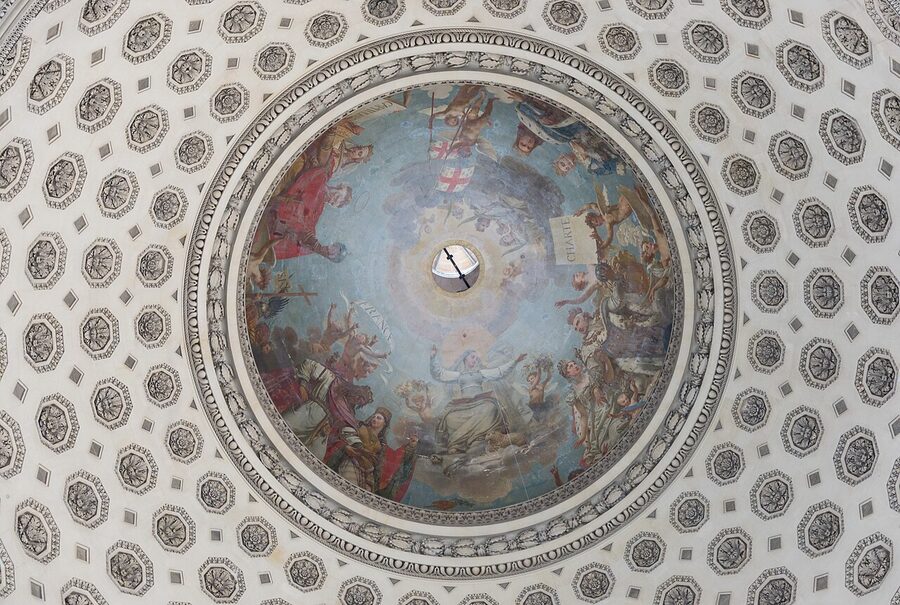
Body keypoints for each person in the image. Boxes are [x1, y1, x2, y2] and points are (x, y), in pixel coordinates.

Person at [430, 347, 527, 454]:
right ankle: (457, 444)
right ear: (465, 358)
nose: (475, 360)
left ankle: (478, 439)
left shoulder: (480, 373)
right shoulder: (459, 375)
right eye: (472, 357)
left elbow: (500, 372)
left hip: (482, 403)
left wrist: (515, 361)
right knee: (450, 417)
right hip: (465, 405)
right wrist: (433, 357)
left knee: (491, 408)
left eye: (476, 358)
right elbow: (439, 374)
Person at [324, 406, 419, 501]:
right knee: (346, 491)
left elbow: (395, 459)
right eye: (374, 416)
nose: (374, 419)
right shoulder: (360, 428)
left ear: (385, 423)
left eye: (379, 418)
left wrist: (411, 446)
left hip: (368, 475)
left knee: (362, 500)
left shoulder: (382, 445)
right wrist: (348, 447)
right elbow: (344, 434)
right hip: (352, 463)